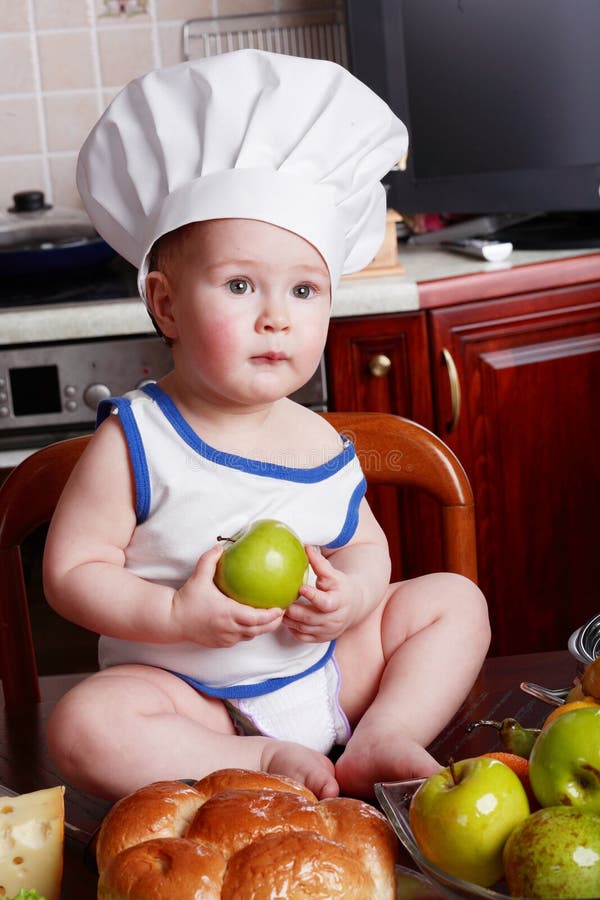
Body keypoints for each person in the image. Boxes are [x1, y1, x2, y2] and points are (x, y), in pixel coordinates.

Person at [43, 49, 490, 802]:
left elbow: (367, 547)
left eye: (305, 288)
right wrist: (175, 613)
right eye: (241, 284)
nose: (276, 314)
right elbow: (71, 574)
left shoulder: (321, 441)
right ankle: (259, 766)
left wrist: (350, 598)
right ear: (167, 303)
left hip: (323, 676)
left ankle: (382, 733)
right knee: (83, 724)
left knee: (455, 602)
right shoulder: (140, 439)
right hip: (189, 703)